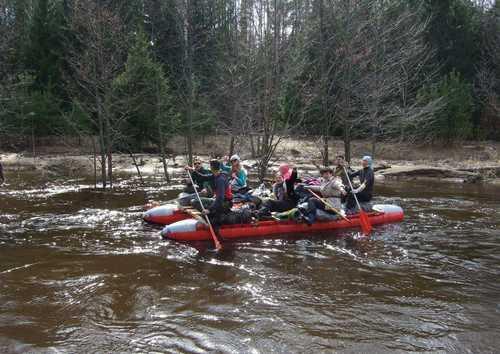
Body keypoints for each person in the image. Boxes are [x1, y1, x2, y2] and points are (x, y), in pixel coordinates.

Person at [186, 159, 233, 225]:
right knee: (194, 201)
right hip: (218, 200)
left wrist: (209, 210)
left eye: (210, 166)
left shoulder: (220, 179)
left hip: (224, 203)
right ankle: (211, 212)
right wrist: (193, 171)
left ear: (212, 167)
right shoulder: (216, 174)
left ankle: (210, 215)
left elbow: (220, 198)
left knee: (195, 202)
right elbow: (203, 177)